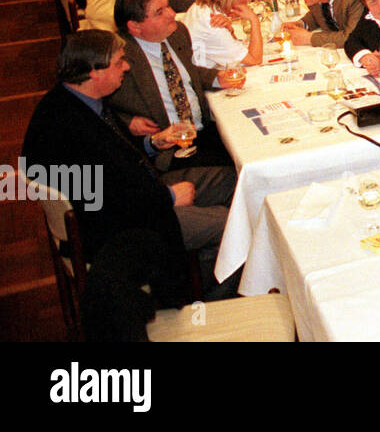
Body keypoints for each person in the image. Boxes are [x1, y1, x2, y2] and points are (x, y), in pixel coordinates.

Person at [22, 31, 234, 301]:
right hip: (120, 229)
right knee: (230, 225)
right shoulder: (68, 128)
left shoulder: (79, 100)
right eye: (119, 62)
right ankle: (199, 300)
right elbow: (105, 204)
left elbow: (114, 161)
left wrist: (151, 143)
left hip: (138, 193)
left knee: (230, 182)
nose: (127, 66)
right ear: (94, 72)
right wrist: (167, 197)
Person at [108, 0, 231, 172]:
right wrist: (128, 122)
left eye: (167, 5)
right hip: (167, 147)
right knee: (234, 171)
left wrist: (217, 77)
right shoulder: (118, 58)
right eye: (160, 12)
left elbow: (187, 70)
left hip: (203, 130)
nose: (172, 13)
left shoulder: (177, 32)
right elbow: (96, 106)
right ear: (135, 26)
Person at [183, 0, 264, 69]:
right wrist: (254, 20)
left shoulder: (200, 6)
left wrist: (230, 31)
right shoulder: (214, 24)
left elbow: (234, 47)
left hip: (203, 70)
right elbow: (255, 59)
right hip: (203, 79)